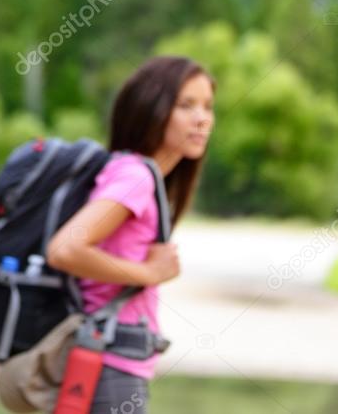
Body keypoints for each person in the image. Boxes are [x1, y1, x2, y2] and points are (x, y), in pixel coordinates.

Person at [46, 56, 216, 414]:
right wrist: (150, 273)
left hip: (110, 360)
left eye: (207, 106)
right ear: (151, 108)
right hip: (110, 364)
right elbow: (65, 249)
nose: (202, 118)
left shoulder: (137, 173)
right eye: (186, 105)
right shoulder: (135, 176)